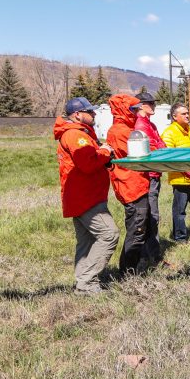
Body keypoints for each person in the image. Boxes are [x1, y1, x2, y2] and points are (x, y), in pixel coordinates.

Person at [54, 97, 119, 295]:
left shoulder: (79, 133)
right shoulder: (75, 135)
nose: (94, 114)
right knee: (109, 234)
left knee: (87, 240)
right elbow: (88, 163)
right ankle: (87, 282)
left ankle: (82, 284)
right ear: (77, 115)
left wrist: (102, 155)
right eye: (89, 112)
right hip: (85, 197)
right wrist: (105, 152)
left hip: (82, 195)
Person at [106, 93, 154, 275]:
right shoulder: (120, 132)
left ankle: (138, 265)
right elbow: (141, 153)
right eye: (133, 109)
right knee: (137, 229)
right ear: (124, 110)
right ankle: (127, 272)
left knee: (142, 227)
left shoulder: (127, 129)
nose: (136, 112)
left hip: (137, 184)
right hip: (130, 187)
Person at [132, 91, 165, 263]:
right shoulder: (141, 126)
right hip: (149, 174)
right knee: (151, 215)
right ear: (142, 105)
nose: (154, 106)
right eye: (151, 103)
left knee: (153, 214)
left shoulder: (149, 124)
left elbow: (161, 144)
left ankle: (151, 254)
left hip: (154, 173)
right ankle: (149, 256)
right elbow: (154, 147)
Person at [161, 102, 190, 242]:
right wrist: (185, 169)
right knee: (179, 210)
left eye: (187, 113)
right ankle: (180, 237)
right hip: (180, 178)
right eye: (183, 114)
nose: (187, 115)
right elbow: (168, 156)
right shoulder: (169, 133)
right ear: (174, 116)